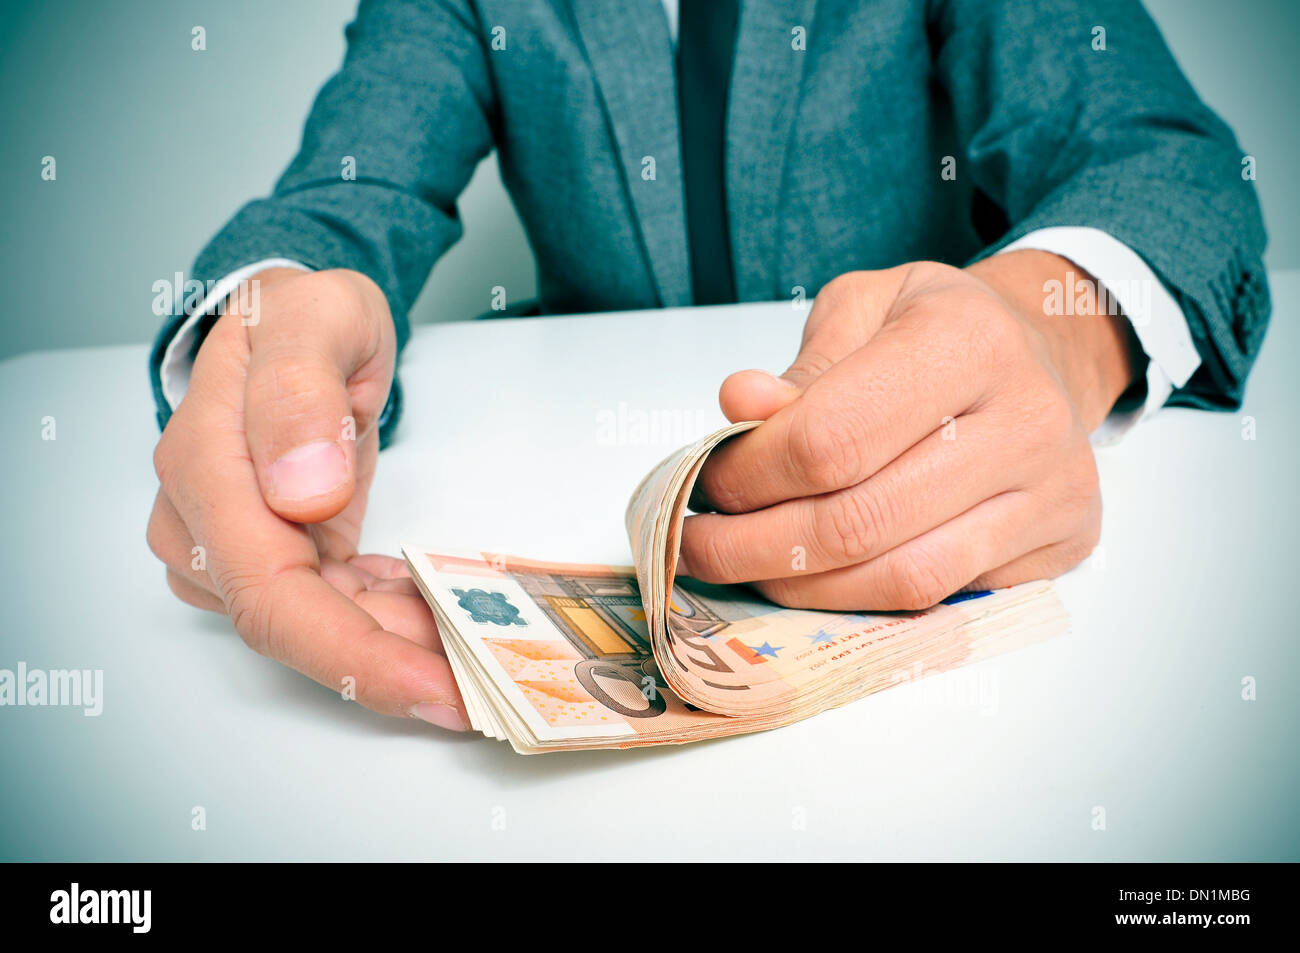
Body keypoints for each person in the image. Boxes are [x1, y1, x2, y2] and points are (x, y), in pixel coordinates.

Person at [145, 0, 1269, 731]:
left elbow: (1159, 160)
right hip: (578, 478)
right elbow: (340, 200)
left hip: (935, 621)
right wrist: (259, 327)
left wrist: (1048, 333)